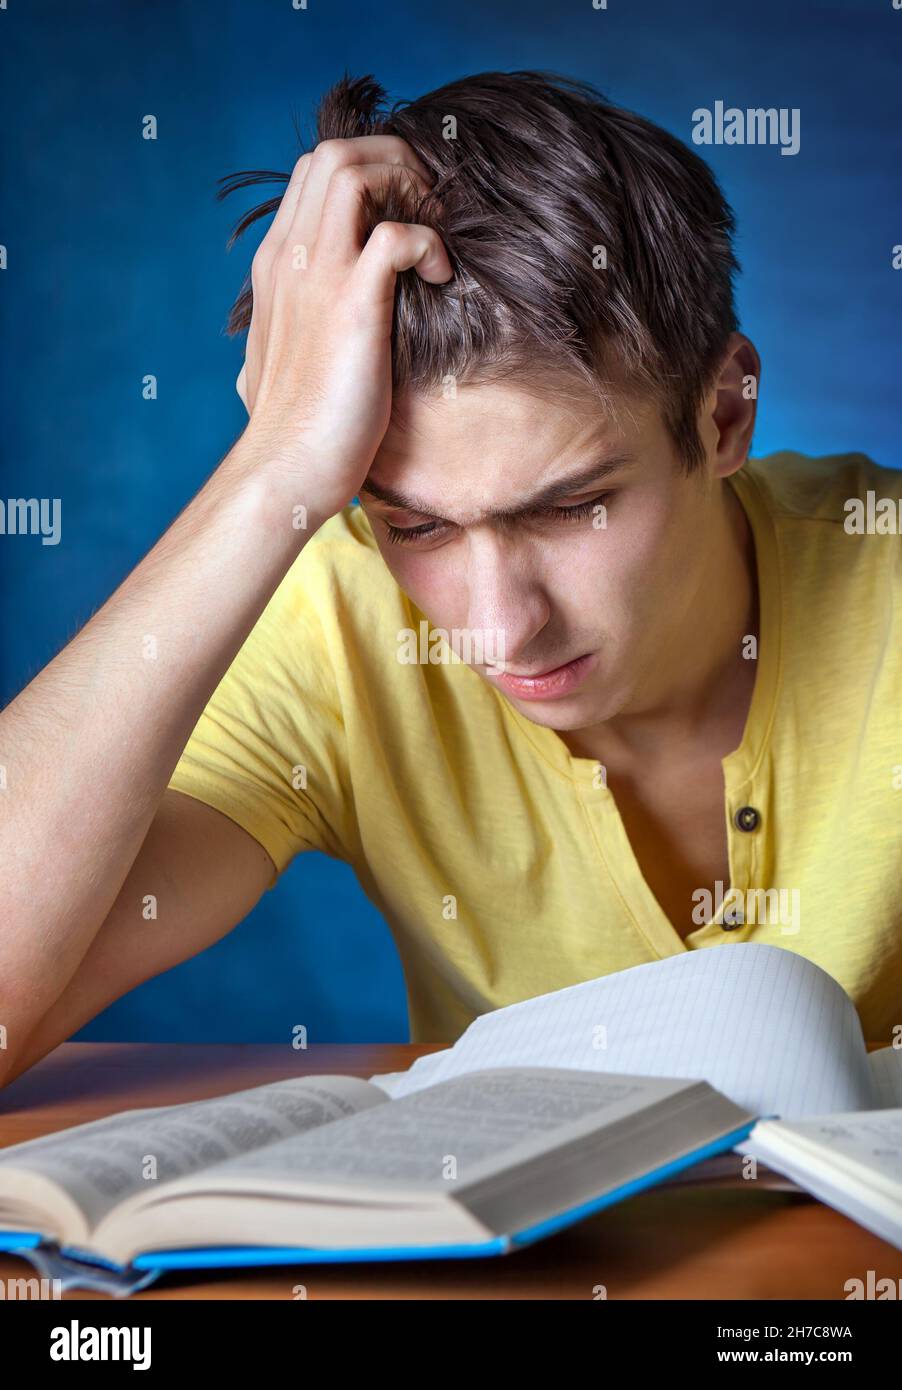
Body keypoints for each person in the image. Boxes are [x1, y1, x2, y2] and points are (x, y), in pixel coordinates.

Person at [1, 71, 899, 1089]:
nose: (500, 630)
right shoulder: (341, 623)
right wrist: (269, 473)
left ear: (723, 414)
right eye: (415, 524)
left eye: (570, 507)